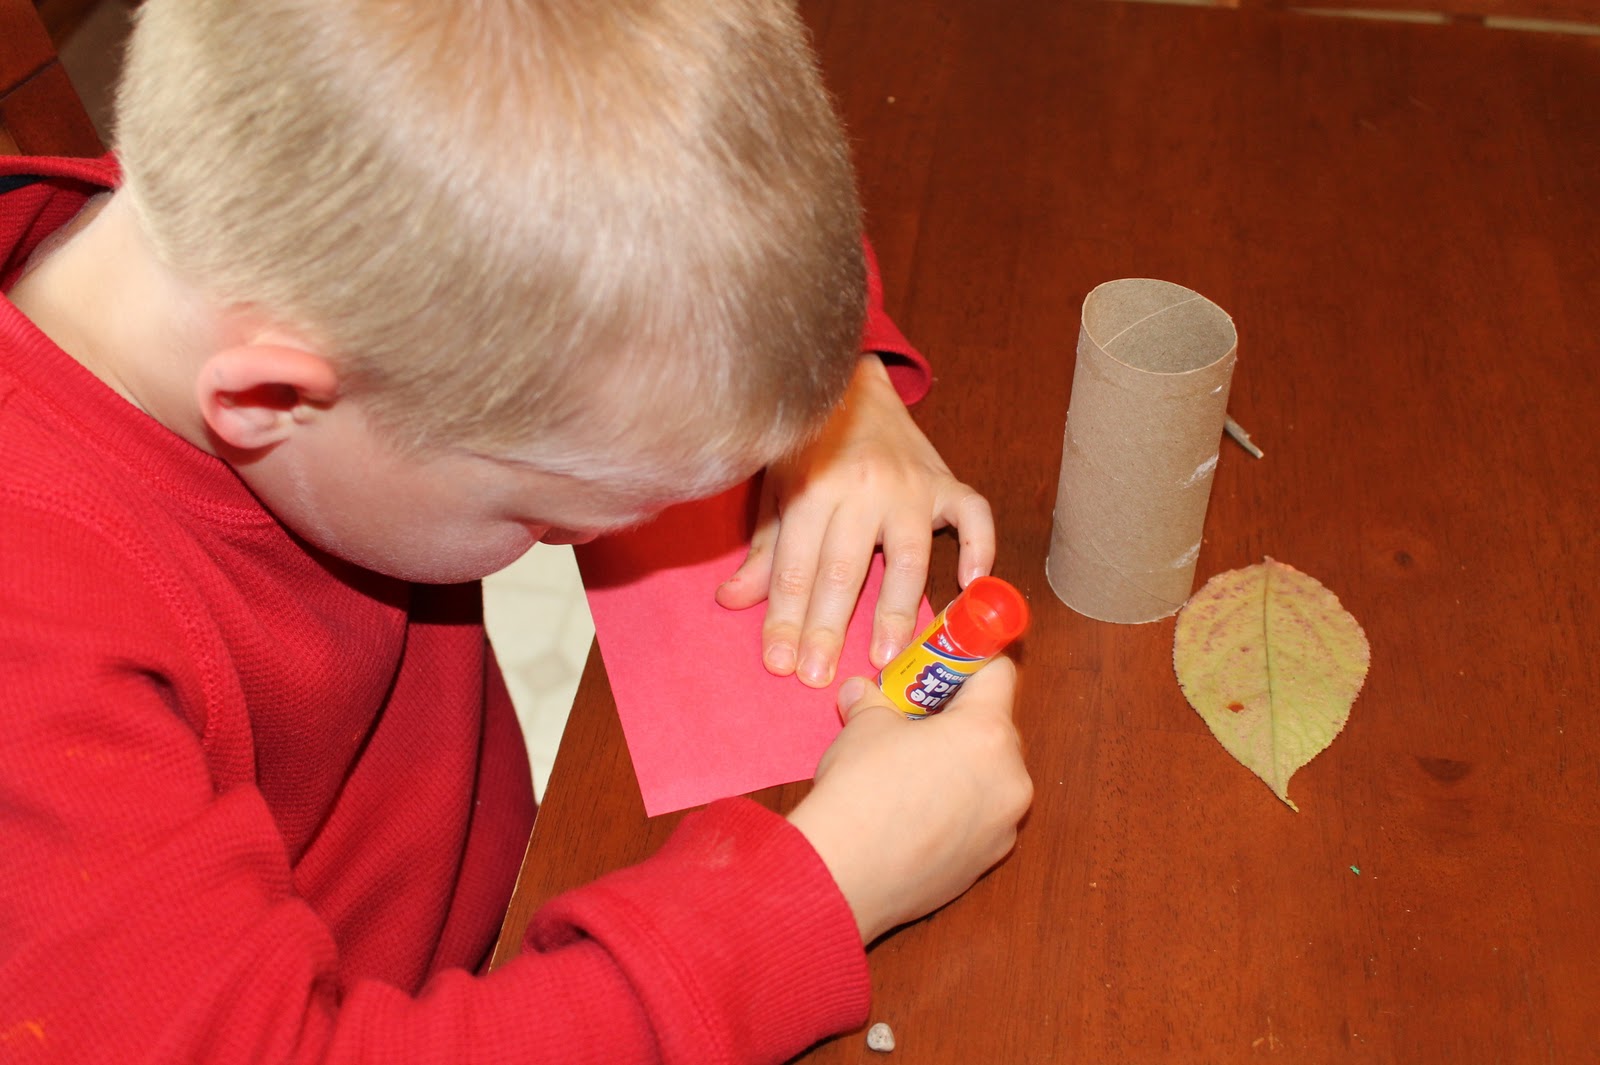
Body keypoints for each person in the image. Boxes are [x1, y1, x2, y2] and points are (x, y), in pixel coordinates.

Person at [0, 1, 1033, 1062]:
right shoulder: (35, 661)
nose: (576, 539)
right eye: (540, 518)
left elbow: (628, 175)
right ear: (269, 397)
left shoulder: (287, 192)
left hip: (470, 907)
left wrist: (829, 397)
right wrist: (819, 891)